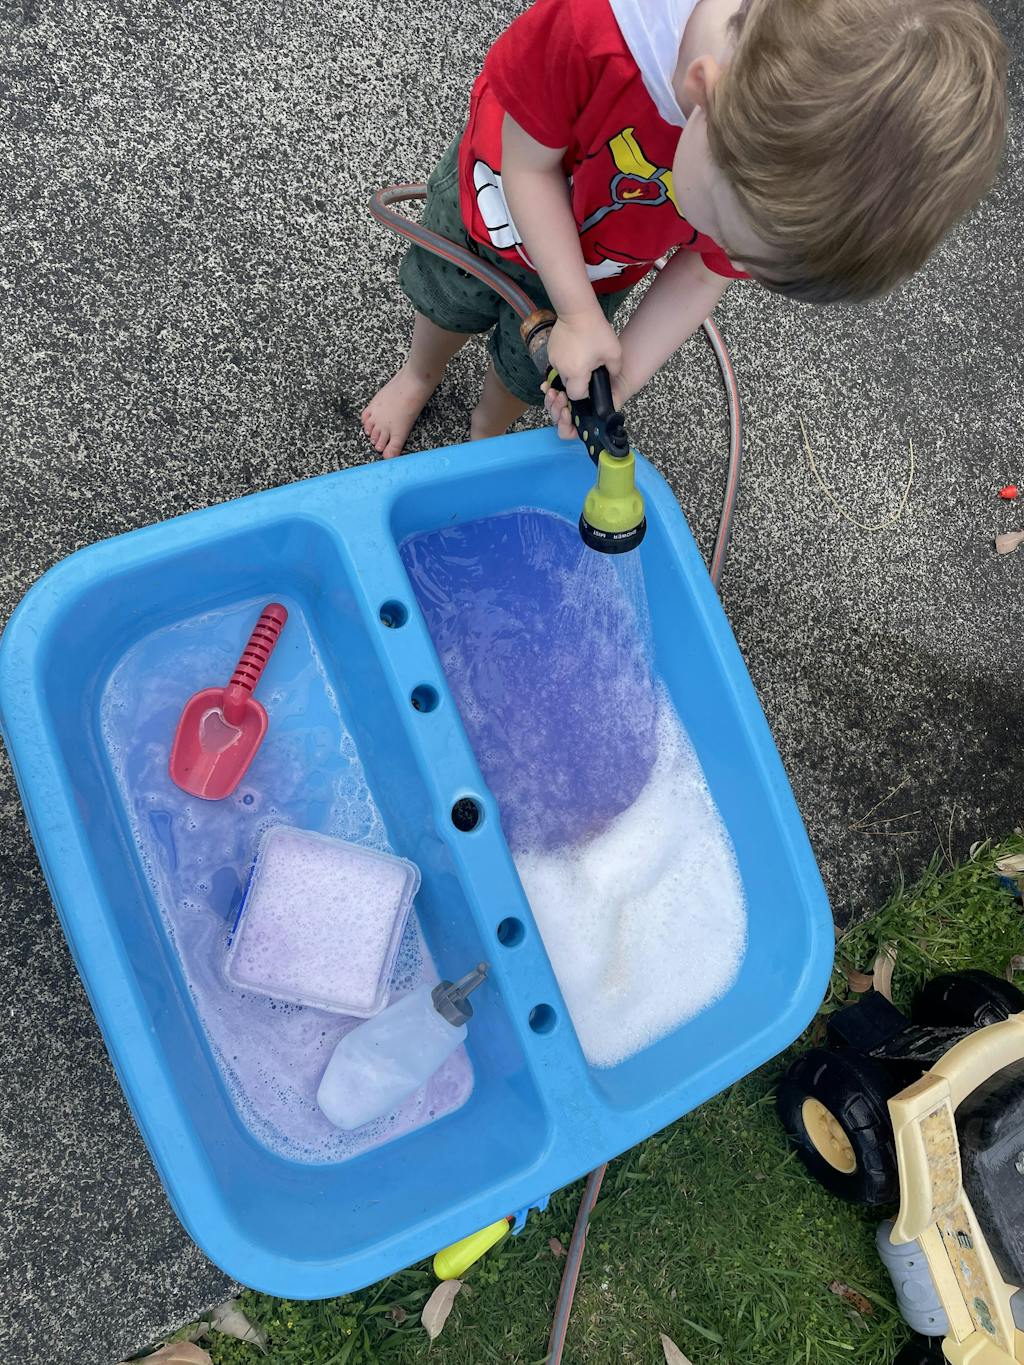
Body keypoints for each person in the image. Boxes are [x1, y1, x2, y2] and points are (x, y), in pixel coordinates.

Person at [362, 0, 1007, 459]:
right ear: (703, 93)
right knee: (452, 297)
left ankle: (484, 436)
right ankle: (420, 375)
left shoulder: (760, 153)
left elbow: (701, 270)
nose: (722, 254)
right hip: (497, 206)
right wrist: (582, 319)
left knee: (537, 371)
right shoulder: (592, 31)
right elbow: (528, 172)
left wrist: (621, 371)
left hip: (605, 261)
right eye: (727, 231)